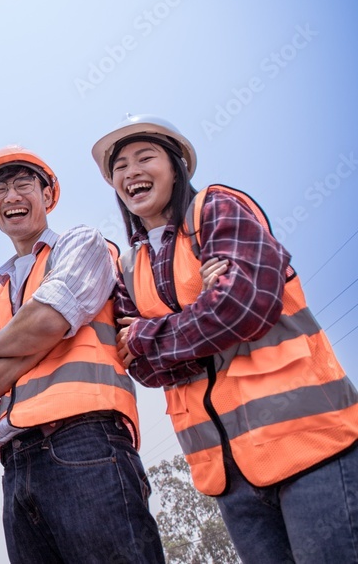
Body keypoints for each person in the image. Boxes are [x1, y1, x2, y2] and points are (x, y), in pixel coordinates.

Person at [92, 114, 358, 562]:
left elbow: (243, 308)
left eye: (145, 157)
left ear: (176, 166)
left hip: (310, 443)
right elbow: (142, 368)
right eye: (120, 167)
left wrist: (148, 334)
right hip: (229, 474)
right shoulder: (129, 267)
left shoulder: (216, 208)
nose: (131, 172)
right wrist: (202, 313)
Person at [0, 146, 165, 564]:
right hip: (16, 464)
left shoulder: (82, 243)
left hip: (86, 443)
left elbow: (48, 320)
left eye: (24, 184)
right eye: (0, 190)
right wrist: (37, 341)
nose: (12, 196)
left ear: (49, 195)